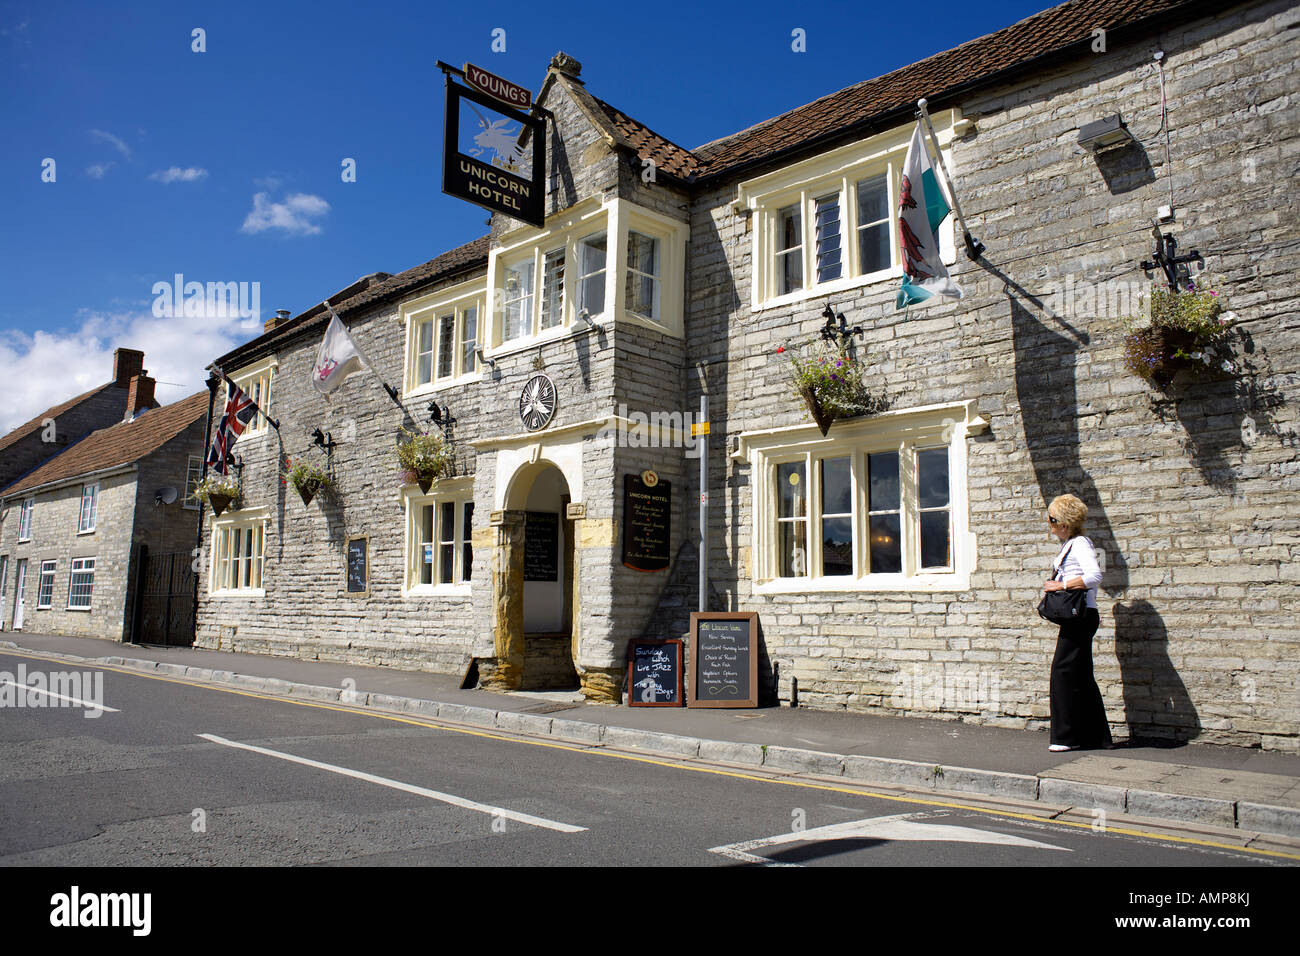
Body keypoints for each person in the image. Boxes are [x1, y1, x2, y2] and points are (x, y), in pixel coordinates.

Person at [1042, 494, 1112, 752]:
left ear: (1064, 523)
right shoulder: (1071, 543)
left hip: (1080, 617)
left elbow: (1094, 576)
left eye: (1052, 520)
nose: (1049, 525)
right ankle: (1096, 737)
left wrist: (1060, 585)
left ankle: (1066, 738)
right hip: (1079, 616)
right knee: (1081, 676)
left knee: (1062, 673)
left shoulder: (1080, 543)